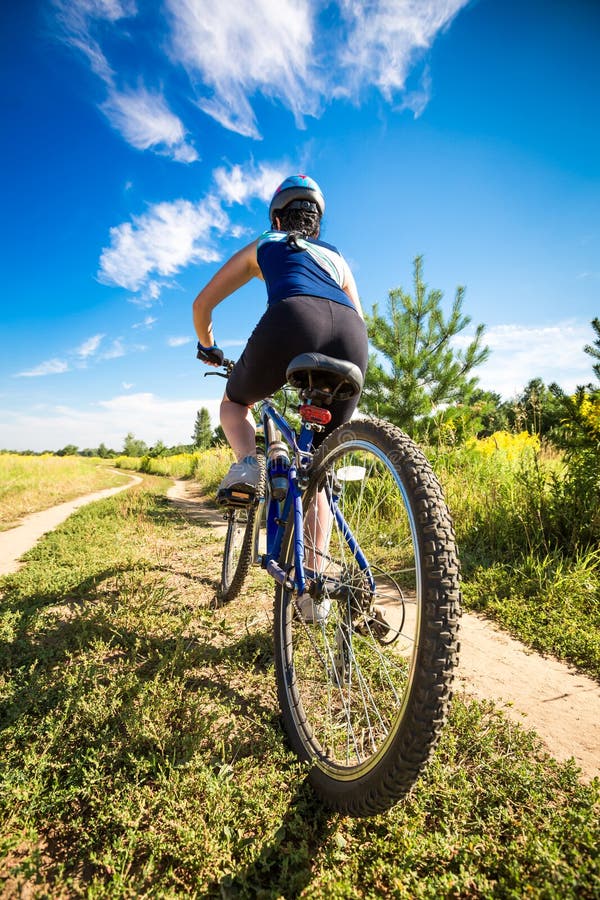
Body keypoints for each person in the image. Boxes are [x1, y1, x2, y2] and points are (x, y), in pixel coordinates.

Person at [192, 174, 369, 504]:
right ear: (316, 227)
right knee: (319, 466)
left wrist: (208, 346)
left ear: (276, 217)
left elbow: (202, 305)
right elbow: (357, 315)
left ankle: (248, 467)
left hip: (293, 318)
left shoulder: (267, 241)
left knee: (234, 404)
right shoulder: (338, 258)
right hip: (352, 336)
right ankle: (316, 556)